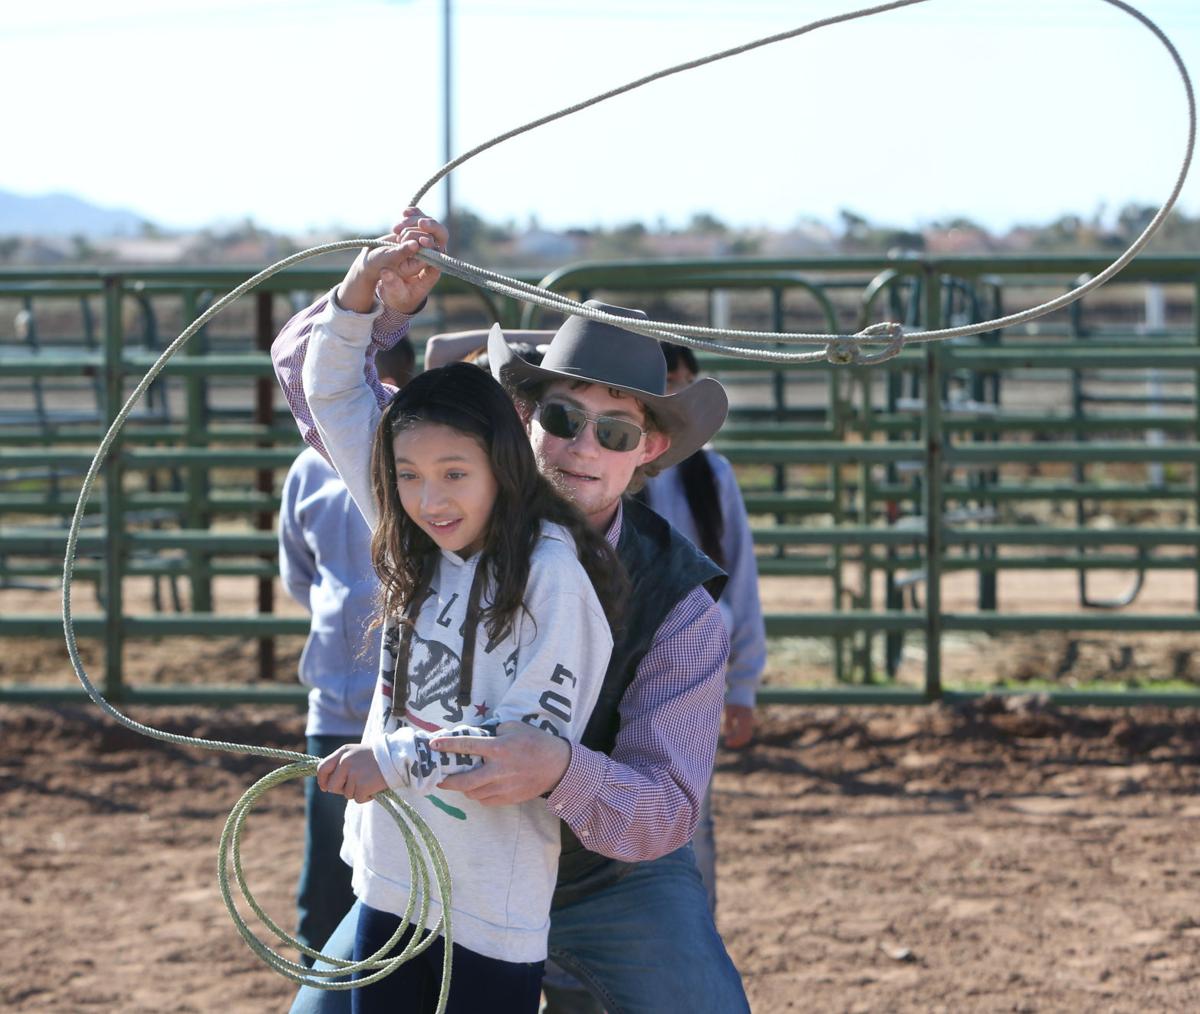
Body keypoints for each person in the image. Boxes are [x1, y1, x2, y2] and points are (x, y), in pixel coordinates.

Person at [273, 209, 751, 1014]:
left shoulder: (682, 609)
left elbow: (666, 809)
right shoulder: (447, 494)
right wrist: (374, 303)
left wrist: (560, 769)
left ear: (650, 449)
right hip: (436, 857)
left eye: (614, 430)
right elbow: (316, 385)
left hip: (609, 883)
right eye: (563, 418)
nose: (582, 448)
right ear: (526, 418)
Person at [295, 243, 627, 1013]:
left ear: (500, 467)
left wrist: (393, 762)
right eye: (407, 475)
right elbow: (332, 392)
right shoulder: (412, 539)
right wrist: (359, 297)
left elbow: (519, 755)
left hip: (486, 912)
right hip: (393, 878)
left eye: (454, 473)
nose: (428, 497)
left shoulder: (552, 574)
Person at [278, 341, 415, 962]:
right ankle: (325, 977)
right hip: (338, 707)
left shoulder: (422, 469)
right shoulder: (308, 471)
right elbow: (301, 575)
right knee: (329, 878)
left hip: (414, 723)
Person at [641, 342, 767, 911]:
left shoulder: (711, 473)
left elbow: (738, 576)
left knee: (691, 818)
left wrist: (742, 683)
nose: (668, 393)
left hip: (692, 672)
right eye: (659, 381)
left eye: (677, 381)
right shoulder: (601, 469)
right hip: (620, 668)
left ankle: (692, 935)